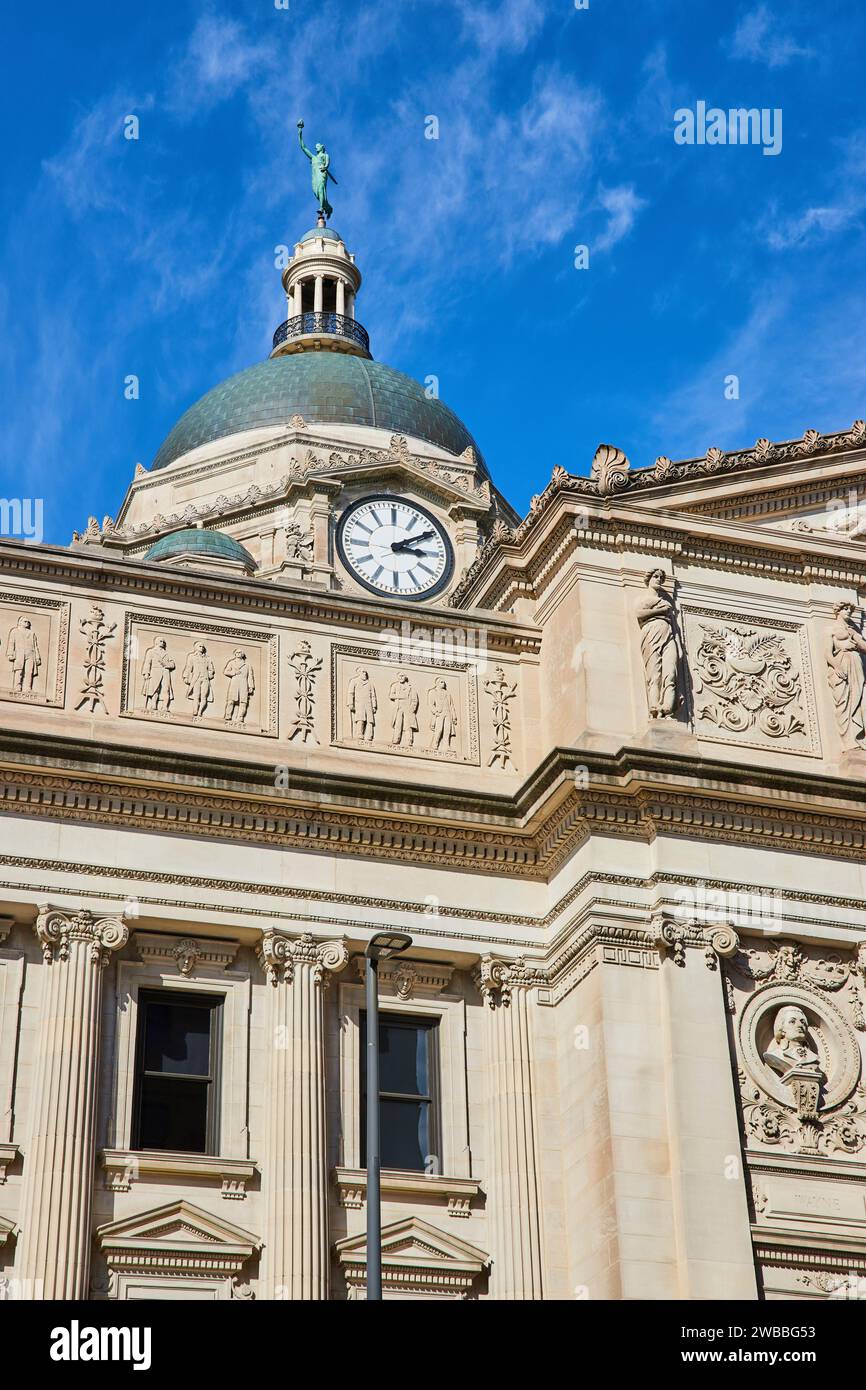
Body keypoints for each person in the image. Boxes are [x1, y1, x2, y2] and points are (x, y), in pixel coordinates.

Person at [6, 616, 41, 693]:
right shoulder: (15, 631)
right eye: (25, 621)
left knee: (29, 671)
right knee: (19, 670)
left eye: (28, 622)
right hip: (19, 653)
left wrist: (38, 657)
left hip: (30, 654)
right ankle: (17, 686)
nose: (27, 623)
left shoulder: (31, 633)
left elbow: (35, 646)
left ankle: (27, 688)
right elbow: (11, 643)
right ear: (20, 622)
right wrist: (10, 654)